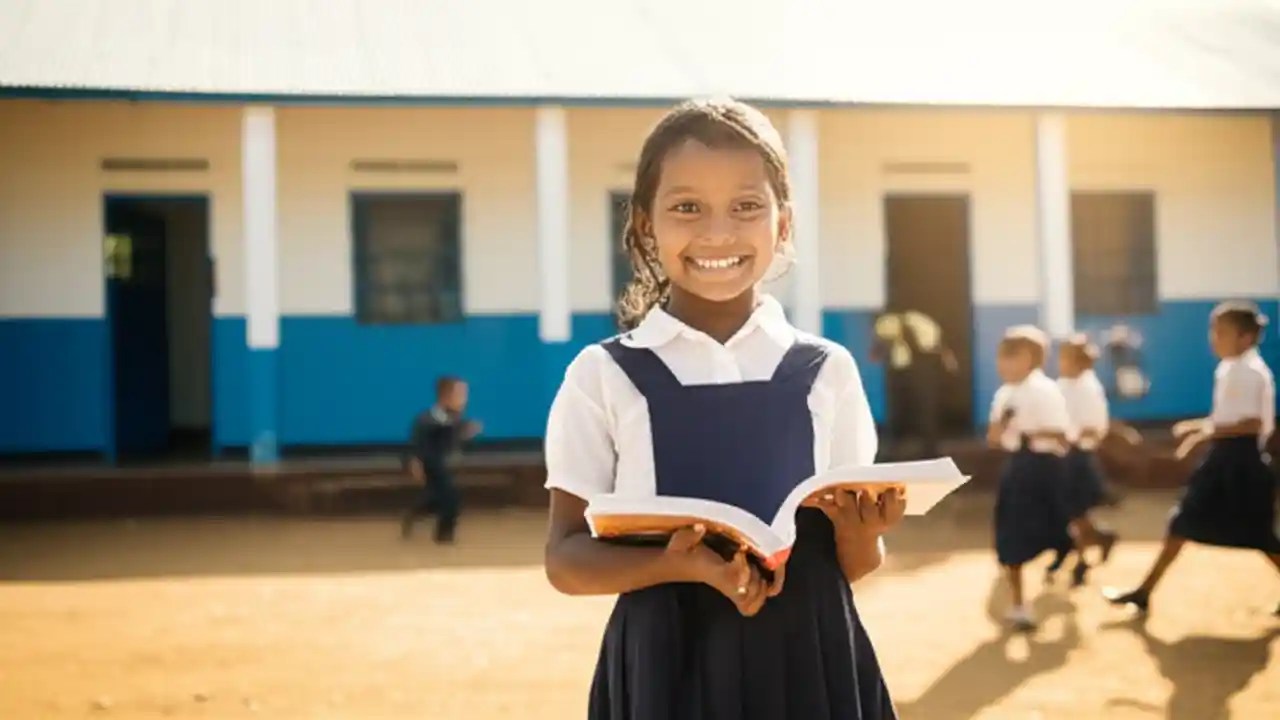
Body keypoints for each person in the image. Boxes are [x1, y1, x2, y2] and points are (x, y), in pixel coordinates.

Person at [543, 98, 903, 719]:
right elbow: (566, 559)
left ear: (783, 224)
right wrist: (671, 563)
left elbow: (855, 566)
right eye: (687, 207)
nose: (717, 233)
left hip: (809, 661)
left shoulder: (827, 371)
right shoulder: (603, 375)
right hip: (667, 666)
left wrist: (862, 534)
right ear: (646, 226)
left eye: (746, 207)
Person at [1105, 301, 1280, 615]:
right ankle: (1145, 591)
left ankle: (1144, 591)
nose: (1214, 338)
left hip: (1241, 462)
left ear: (1246, 338)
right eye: (1213, 331)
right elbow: (1229, 417)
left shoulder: (1250, 372)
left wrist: (1204, 433)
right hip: (1223, 458)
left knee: (1259, 535)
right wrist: (1200, 426)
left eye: (1222, 332)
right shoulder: (1229, 368)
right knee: (1183, 522)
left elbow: (1251, 424)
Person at [985, 325, 1076, 632]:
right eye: (1002, 357)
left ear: (1032, 360)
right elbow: (994, 438)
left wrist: (1027, 432)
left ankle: (1066, 549)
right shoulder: (1004, 394)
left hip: (1046, 468)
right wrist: (1001, 429)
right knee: (1011, 535)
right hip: (1018, 468)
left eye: (1013, 358)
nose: (1005, 365)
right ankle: (1020, 604)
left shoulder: (1044, 390)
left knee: (1054, 527)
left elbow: (1062, 435)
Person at [1045, 334, 1120, 587]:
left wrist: (1069, 436)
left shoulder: (1089, 389)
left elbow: (1096, 428)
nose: (1060, 363)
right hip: (1061, 456)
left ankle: (1080, 560)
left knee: (1072, 512)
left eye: (1065, 358)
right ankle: (1097, 541)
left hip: (1076, 458)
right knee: (1071, 515)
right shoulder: (1062, 385)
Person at [400, 376, 481, 543]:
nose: (464, 399)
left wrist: (465, 434)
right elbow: (416, 445)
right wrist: (415, 464)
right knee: (450, 499)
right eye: (460, 394)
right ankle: (444, 537)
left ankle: (416, 515)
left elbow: (453, 439)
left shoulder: (454, 420)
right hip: (431, 466)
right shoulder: (427, 419)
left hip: (444, 466)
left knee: (437, 499)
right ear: (445, 396)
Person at [870, 309, 958, 458]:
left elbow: (938, 346)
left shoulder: (917, 325)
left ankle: (926, 449)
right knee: (903, 410)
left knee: (923, 410)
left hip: (921, 369)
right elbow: (882, 345)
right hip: (905, 371)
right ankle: (900, 448)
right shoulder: (894, 326)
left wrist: (948, 360)